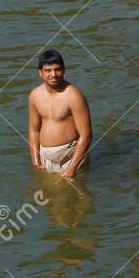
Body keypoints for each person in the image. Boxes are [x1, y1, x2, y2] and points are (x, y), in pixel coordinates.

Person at [27, 49, 91, 180]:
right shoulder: (35, 95)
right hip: (45, 159)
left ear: (64, 70)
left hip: (70, 158)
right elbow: (34, 130)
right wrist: (35, 160)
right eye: (48, 70)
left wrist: (71, 169)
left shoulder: (73, 95)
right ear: (40, 73)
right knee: (48, 197)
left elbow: (86, 135)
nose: (53, 74)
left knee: (70, 197)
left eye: (57, 69)